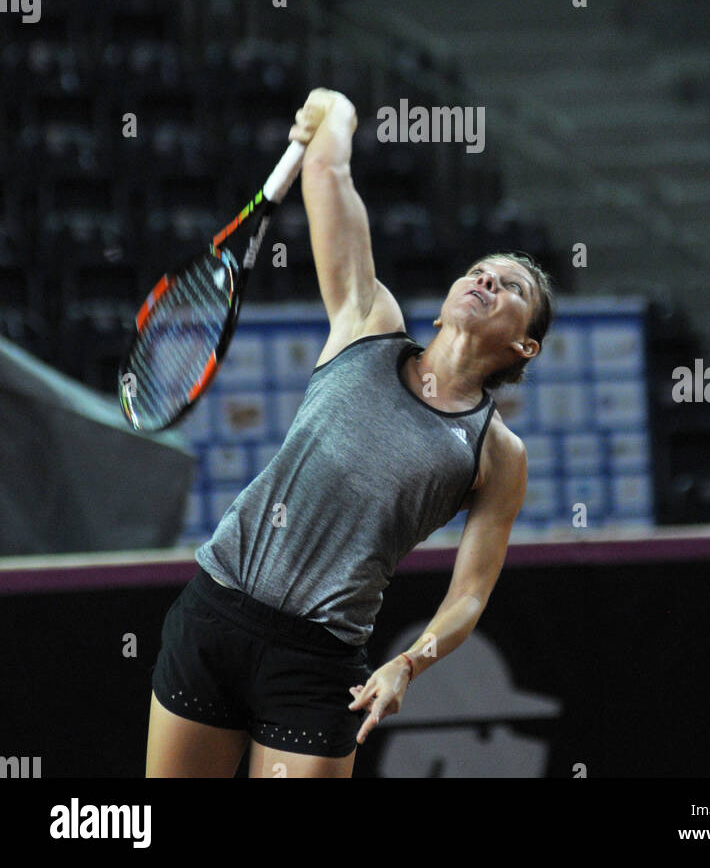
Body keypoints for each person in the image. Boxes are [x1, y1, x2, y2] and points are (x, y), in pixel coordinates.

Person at [146, 88, 553, 778]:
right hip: (216, 614)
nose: (486, 279)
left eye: (510, 287)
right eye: (480, 270)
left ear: (525, 347)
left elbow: (470, 594)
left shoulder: (495, 453)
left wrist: (410, 662)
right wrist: (335, 111)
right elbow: (330, 176)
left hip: (320, 657)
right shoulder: (366, 323)